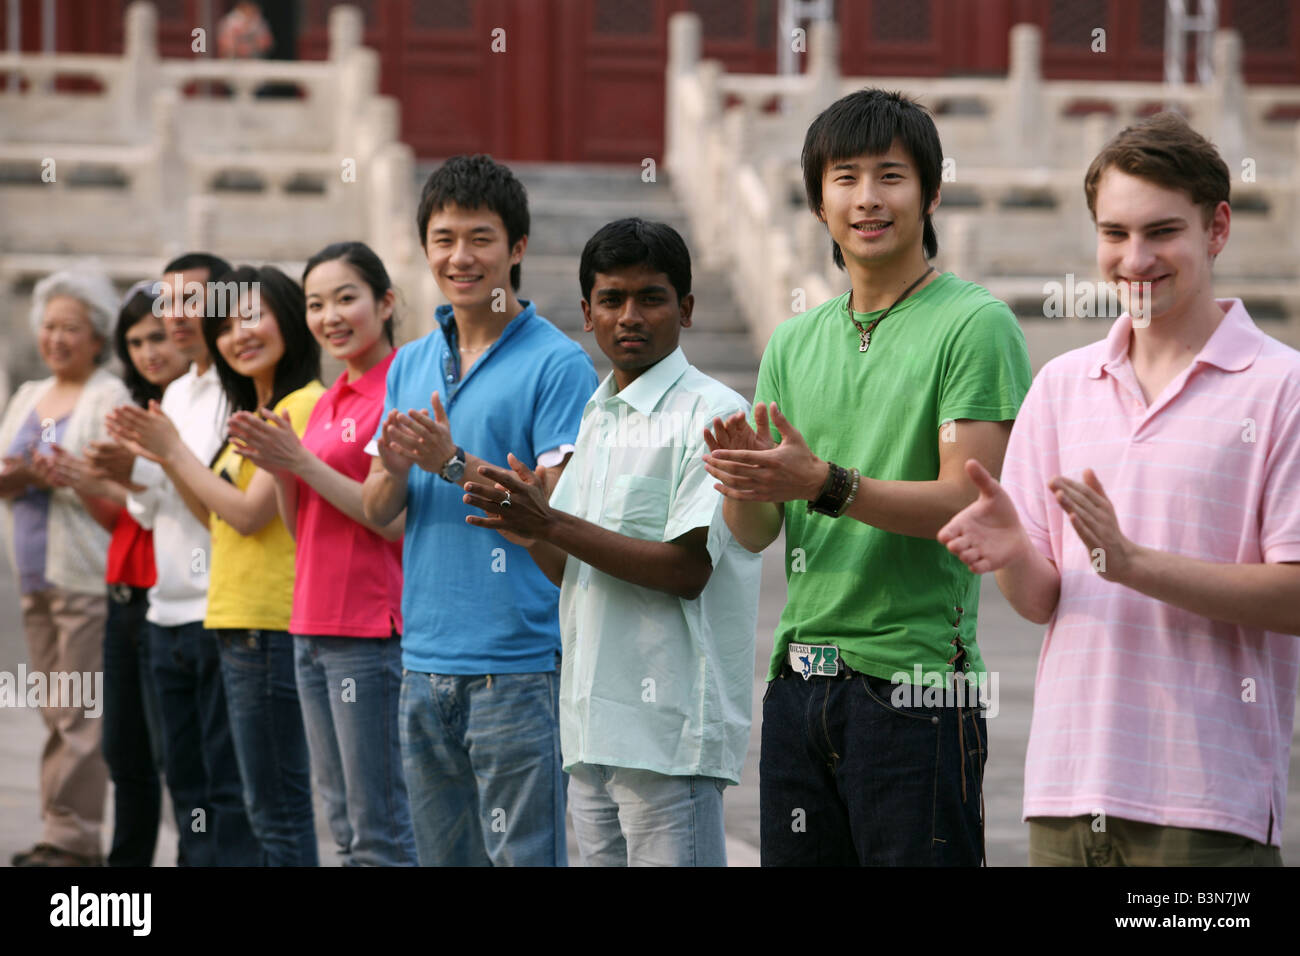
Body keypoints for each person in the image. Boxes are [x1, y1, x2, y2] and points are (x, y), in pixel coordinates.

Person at [938, 112, 1300, 866]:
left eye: (1161, 231)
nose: (1134, 259)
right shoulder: (1062, 386)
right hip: (1066, 796)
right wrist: (1011, 552)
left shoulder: (1281, 388)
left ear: (1218, 228)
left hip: (1206, 803)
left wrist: (1134, 563)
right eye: (1114, 234)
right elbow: (1043, 600)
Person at [703, 89, 1033, 866]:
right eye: (845, 178)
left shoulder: (974, 325)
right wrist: (739, 482)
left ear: (931, 191)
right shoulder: (793, 341)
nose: (867, 198)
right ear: (818, 201)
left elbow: (966, 502)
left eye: (891, 175)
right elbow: (756, 535)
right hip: (799, 683)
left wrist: (826, 482)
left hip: (921, 688)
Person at [464, 218, 762, 866]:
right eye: (611, 299)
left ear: (685, 308)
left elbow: (688, 571)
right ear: (586, 312)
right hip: (590, 726)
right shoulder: (596, 414)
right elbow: (568, 568)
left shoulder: (711, 415)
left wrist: (552, 524)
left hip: (668, 733)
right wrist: (528, 526)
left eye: (651, 298)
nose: (630, 316)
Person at [362, 154, 597, 866]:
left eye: (480, 238)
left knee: (525, 857)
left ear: (516, 248)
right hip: (423, 657)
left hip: (517, 665)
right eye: (443, 238)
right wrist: (401, 462)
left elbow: (552, 508)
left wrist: (452, 462)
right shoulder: (408, 363)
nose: (460, 257)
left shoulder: (559, 365)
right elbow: (379, 507)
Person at [110, 265, 324, 866]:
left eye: (250, 317)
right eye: (226, 325)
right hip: (226, 618)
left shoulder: (300, 405)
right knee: (219, 795)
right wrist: (149, 460)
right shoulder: (245, 408)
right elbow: (216, 519)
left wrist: (170, 450)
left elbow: (251, 516)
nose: (237, 334)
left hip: (266, 621)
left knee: (265, 809)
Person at [229, 242, 415, 866]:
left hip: (368, 628)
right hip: (308, 624)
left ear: (385, 302)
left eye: (345, 298)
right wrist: (281, 470)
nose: (330, 316)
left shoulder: (400, 388)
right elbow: (299, 525)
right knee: (340, 820)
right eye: (315, 304)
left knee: (379, 827)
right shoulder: (331, 397)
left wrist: (299, 461)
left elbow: (391, 521)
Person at [102, 253, 261, 867]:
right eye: (165, 300)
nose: (174, 316)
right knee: (183, 782)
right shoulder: (175, 390)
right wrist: (132, 472)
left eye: (191, 301)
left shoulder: (237, 390)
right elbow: (153, 513)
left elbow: (227, 517)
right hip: (163, 610)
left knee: (229, 786)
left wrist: (166, 459)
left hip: (220, 610)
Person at [1, 267, 130, 866]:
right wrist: (21, 475)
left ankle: (73, 841)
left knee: (79, 708)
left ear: (97, 336)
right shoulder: (28, 394)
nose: (57, 339)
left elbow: (123, 485)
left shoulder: (108, 396)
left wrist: (66, 476)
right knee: (55, 706)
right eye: (49, 326)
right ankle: (58, 828)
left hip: (82, 575)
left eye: (71, 328)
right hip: (33, 576)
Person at [95, 285, 190, 866]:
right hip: (123, 590)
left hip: (174, 597)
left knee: (178, 760)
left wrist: (139, 472)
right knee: (123, 753)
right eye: (134, 343)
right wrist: (91, 480)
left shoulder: (196, 409)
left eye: (157, 337)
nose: (148, 352)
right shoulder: (132, 411)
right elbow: (125, 516)